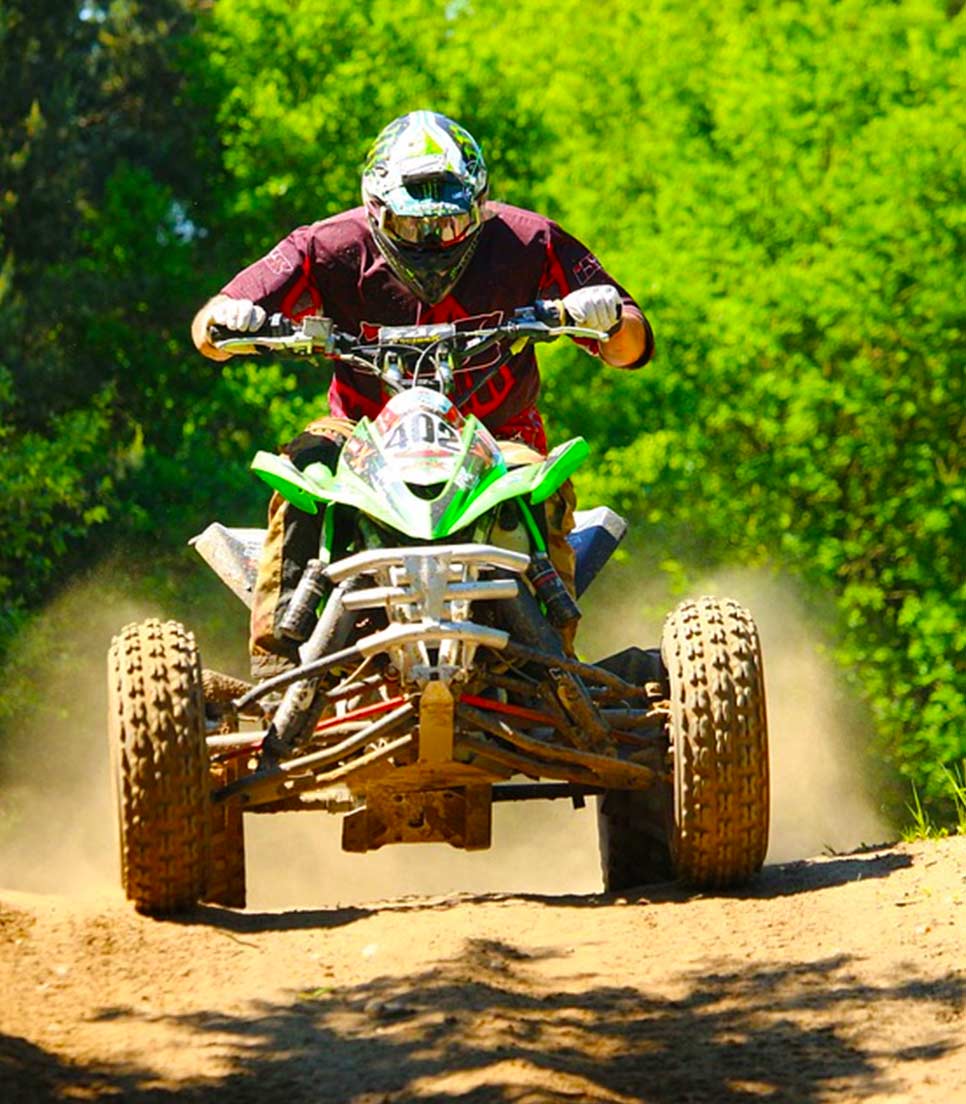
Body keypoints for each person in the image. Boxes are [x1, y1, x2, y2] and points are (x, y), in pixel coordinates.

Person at [192, 110, 654, 676]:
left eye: (450, 226)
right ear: (377, 208)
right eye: (415, 229)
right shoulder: (327, 246)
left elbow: (631, 346)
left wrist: (606, 317)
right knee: (303, 474)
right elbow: (209, 330)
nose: (433, 244)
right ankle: (278, 666)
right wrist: (228, 320)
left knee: (540, 484)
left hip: (495, 437)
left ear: (480, 206)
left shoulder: (529, 239)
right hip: (361, 440)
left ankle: (553, 664)